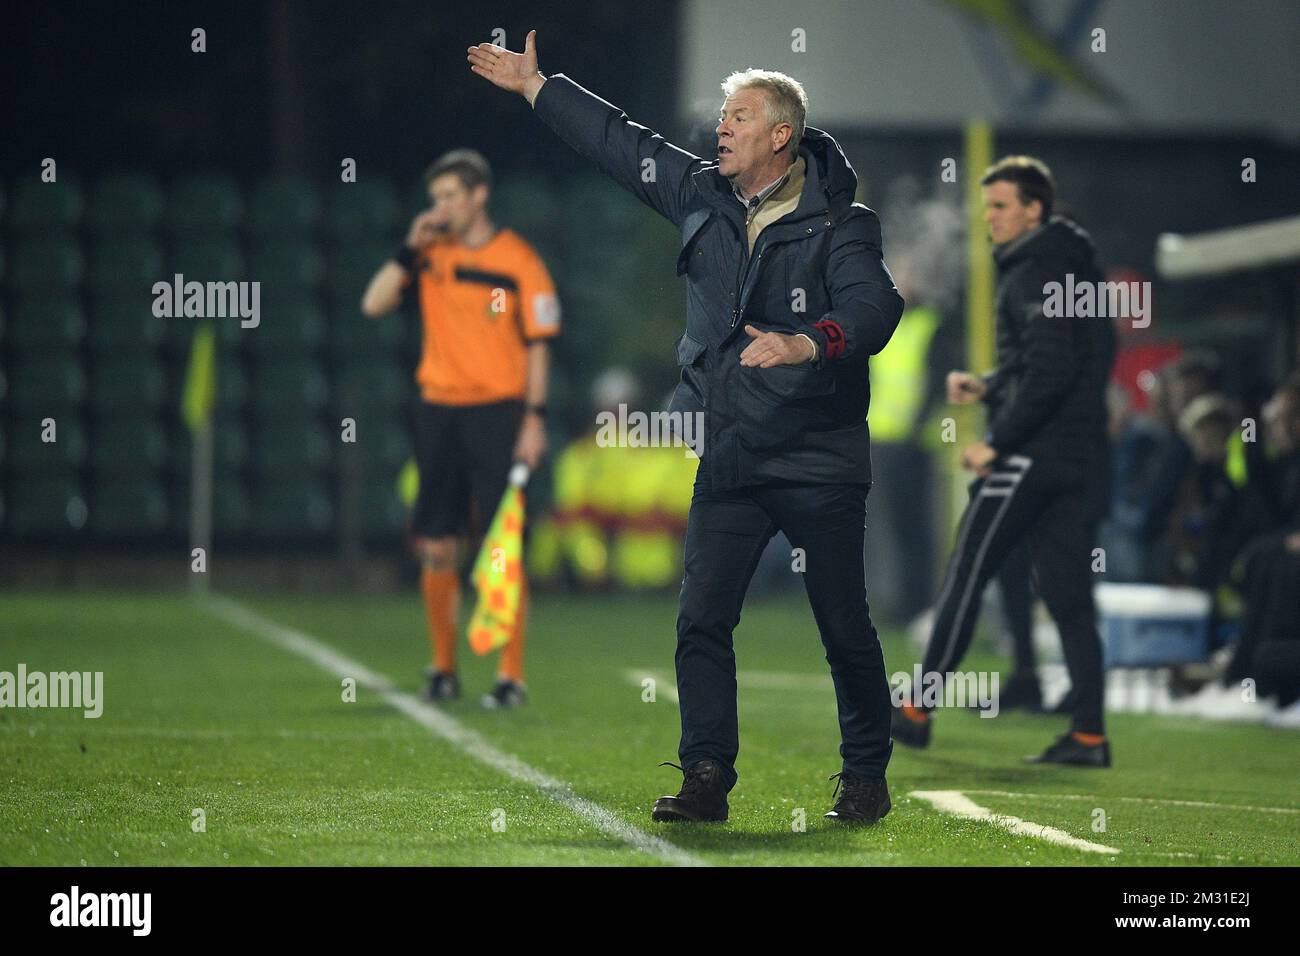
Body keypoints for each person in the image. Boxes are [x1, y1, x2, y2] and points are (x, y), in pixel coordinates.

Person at [468, 32, 904, 823]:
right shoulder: (700, 193)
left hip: (818, 456)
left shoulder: (845, 224)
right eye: (723, 116)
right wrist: (540, 89)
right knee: (702, 618)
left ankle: (866, 773)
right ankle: (707, 775)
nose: (722, 128)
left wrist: (809, 341)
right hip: (732, 449)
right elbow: (620, 142)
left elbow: (877, 308)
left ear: (782, 135)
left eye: (740, 118)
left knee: (843, 625)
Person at [892, 156, 1118, 767]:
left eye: (998, 207)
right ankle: (1090, 734)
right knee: (1070, 595)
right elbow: (1064, 366)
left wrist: (1000, 439)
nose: (987, 218)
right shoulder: (1081, 271)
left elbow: (1048, 374)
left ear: (1033, 210)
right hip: (1079, 454)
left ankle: (916, 708)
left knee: (968, 569)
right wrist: (990, 386)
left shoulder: (1033, 270)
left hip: (1032, 454)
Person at [361, 148, 560, 708]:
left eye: (450, 195)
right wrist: (410, 245)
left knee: (501, 547)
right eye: (435, 197)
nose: (441, 206)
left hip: (499, 414)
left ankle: (509, 676)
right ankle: (442, 669)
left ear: (479, 196)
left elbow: (539, 345)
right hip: (439, 413)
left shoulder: (519, 261)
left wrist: (534, 419)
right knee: (438, 542)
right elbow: (374, 303)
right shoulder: (429, 254)